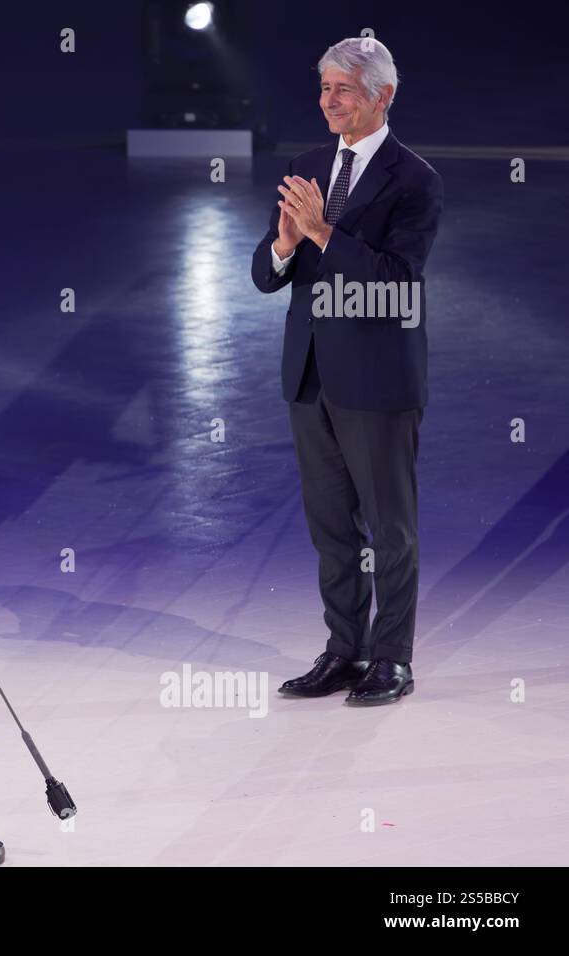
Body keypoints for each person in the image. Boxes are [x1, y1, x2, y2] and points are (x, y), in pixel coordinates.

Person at [251, 39, 443, 705]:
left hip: (378, 381)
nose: (328, 100)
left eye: (343, 90)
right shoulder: (307, 168)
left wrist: (325, 233)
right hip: (310, 378)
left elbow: (395, 282)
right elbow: (266, 275)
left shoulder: (414, 180)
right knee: (331, 527)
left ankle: (391, 658)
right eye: (324, 87)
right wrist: (283, 242)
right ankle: (344, 649)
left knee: (389, 528)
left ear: (381, 96)